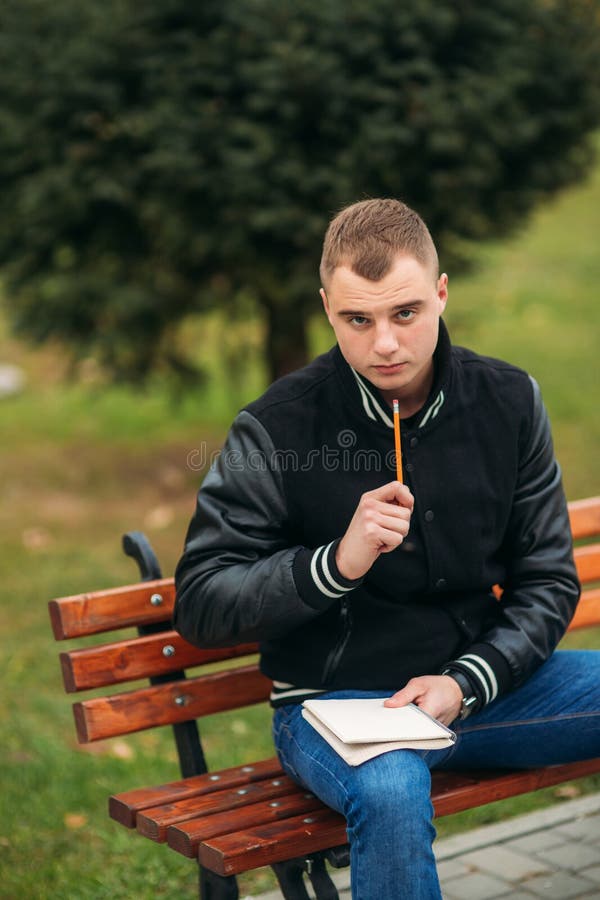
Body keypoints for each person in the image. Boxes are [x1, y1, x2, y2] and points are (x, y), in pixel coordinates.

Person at [174, 198, 600, 899]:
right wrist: (336, 563)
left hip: (479, 692)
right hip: (336, 708)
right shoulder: (275, 428)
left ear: (440, 293)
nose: (385, 345)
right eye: (357, 320)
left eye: (405, 313)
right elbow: (202, 603)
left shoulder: (509, 401)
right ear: (326, 309)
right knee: (393, 789)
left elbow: (548, 580)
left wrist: (465, 682)